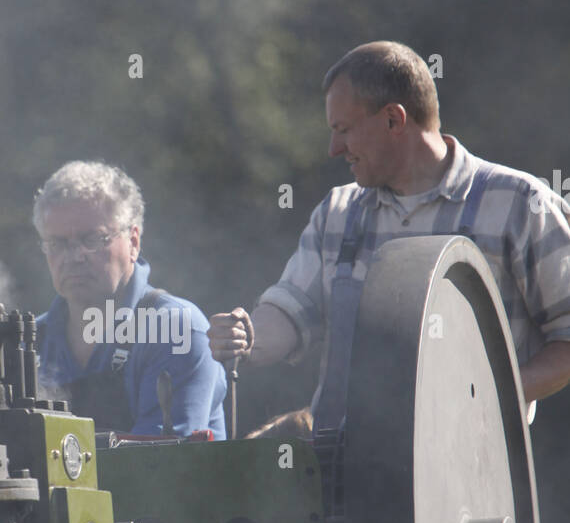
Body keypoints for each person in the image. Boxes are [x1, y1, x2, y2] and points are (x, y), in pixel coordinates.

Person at [209, 41, 570, 431]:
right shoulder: (338, 213)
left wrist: (486, 397)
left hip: (475, 475)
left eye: (343, 130)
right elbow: (293, 312)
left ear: (394, 120)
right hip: (348, 476)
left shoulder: (519, 204)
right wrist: (247, 335)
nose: (334, 149)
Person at [34, 160, 227, 437]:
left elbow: (158, 464)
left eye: (92, 239)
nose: (74, 257)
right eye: (58, 243)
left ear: (133, 241)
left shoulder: (175, 331)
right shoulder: (29, 344)